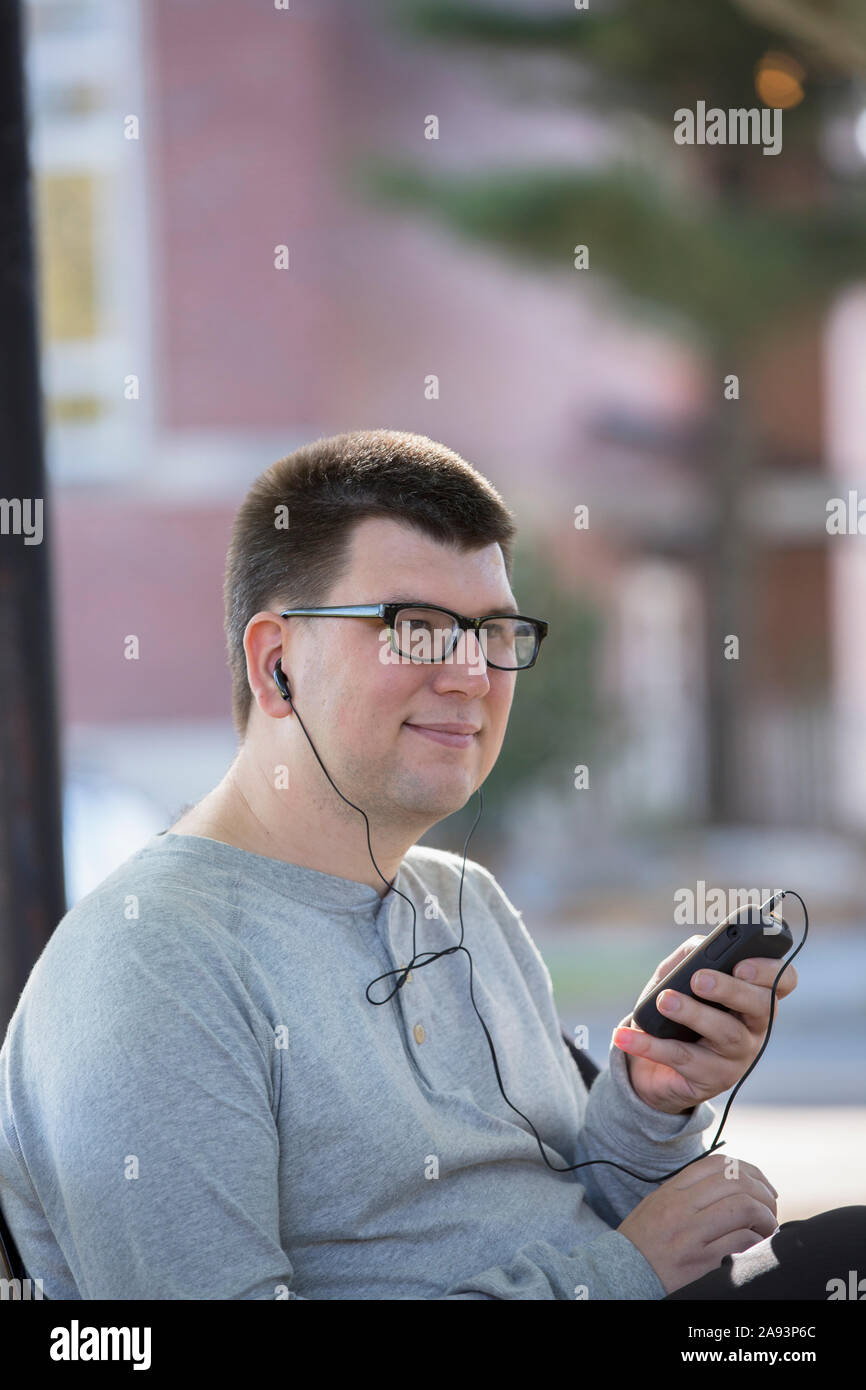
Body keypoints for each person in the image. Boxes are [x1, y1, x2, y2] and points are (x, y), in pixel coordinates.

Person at [0, 428, 855, 1299]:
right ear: (277, 664)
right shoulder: (151, 964)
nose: (472, 675)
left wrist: (650, 1105)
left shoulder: (465, 901)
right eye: (416, 630)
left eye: (494, 631)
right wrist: (622, 1271)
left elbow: (605, 1218)